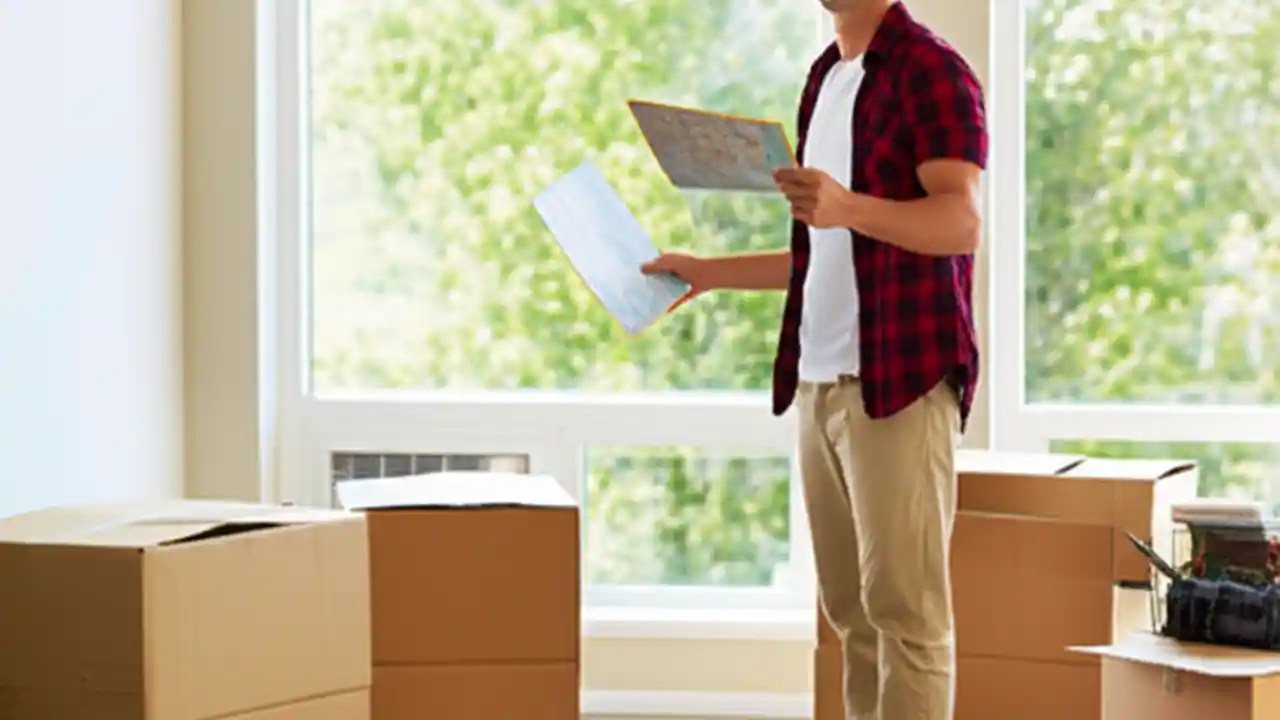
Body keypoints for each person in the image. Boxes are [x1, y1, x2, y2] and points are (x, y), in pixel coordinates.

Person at [642, 1, 987, 718]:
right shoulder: (827, 78)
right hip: (819, 383)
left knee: (908, 618)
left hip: (897, 384)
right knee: (851, 617)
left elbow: (960, 222)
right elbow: (821, 249)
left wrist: (850, 206)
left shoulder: (931, 70)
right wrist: (708, 272)